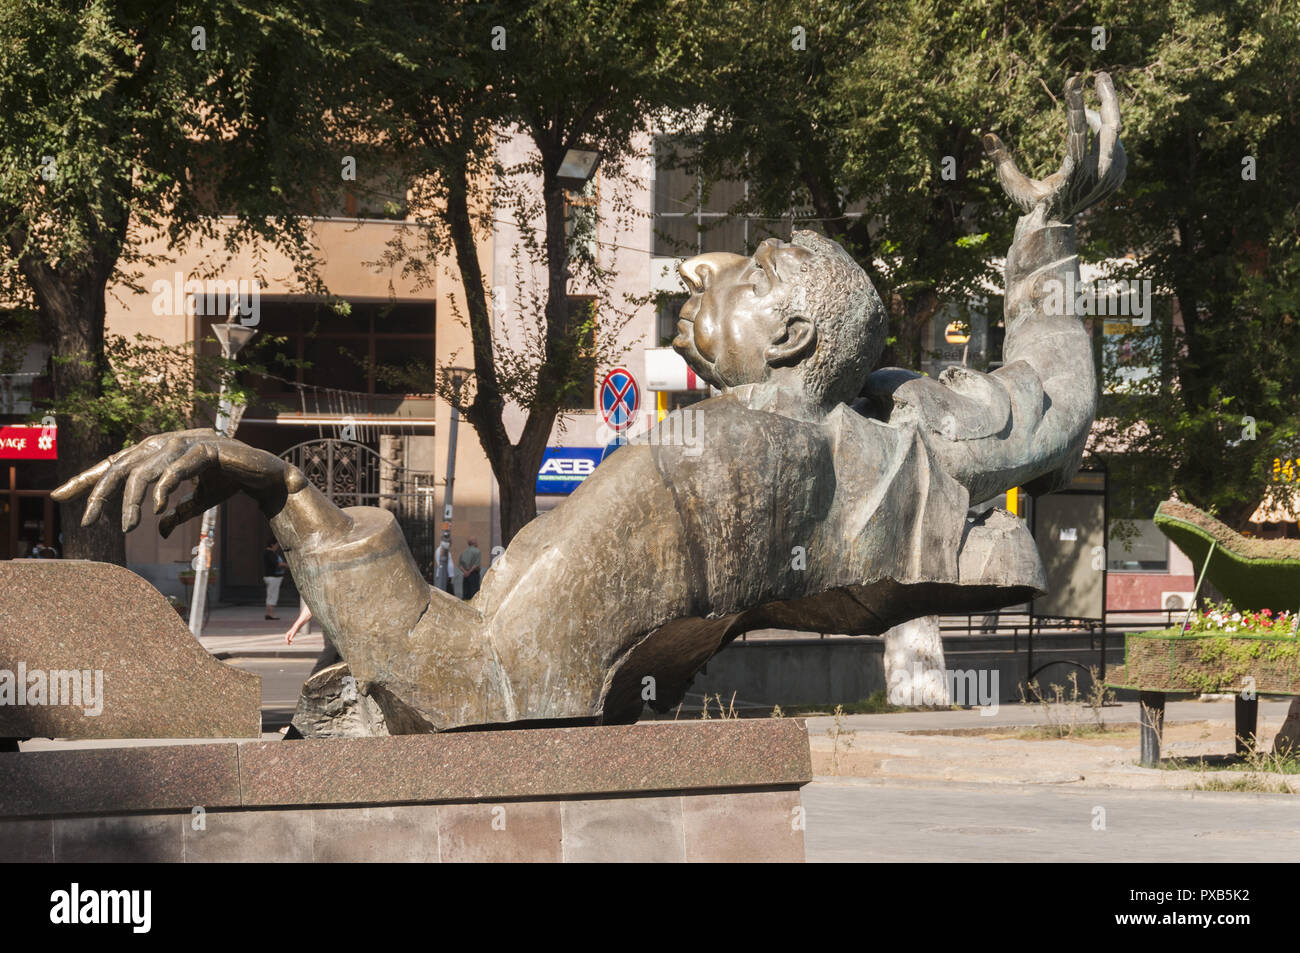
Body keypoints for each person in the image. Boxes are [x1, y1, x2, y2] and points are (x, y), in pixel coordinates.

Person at [53, 74, 1123, 734]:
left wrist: (281, 485)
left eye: (745, 278)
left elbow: (481, 677)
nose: (706, 282)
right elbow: (1052, 399)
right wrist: (1044, 232)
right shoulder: (902, 442)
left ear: (792, 336)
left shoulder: (695, 461)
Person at [262, 540, 287, 620]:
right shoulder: (270, 553)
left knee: (271, 595)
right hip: (273, 577)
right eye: (277, 545)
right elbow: (277, 564)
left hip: (272, 576)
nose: (277, 547)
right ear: (272, 545)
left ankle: (270, 613)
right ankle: (270, 614)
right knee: (272, 595)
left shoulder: (269, 553)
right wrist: (288, 565)